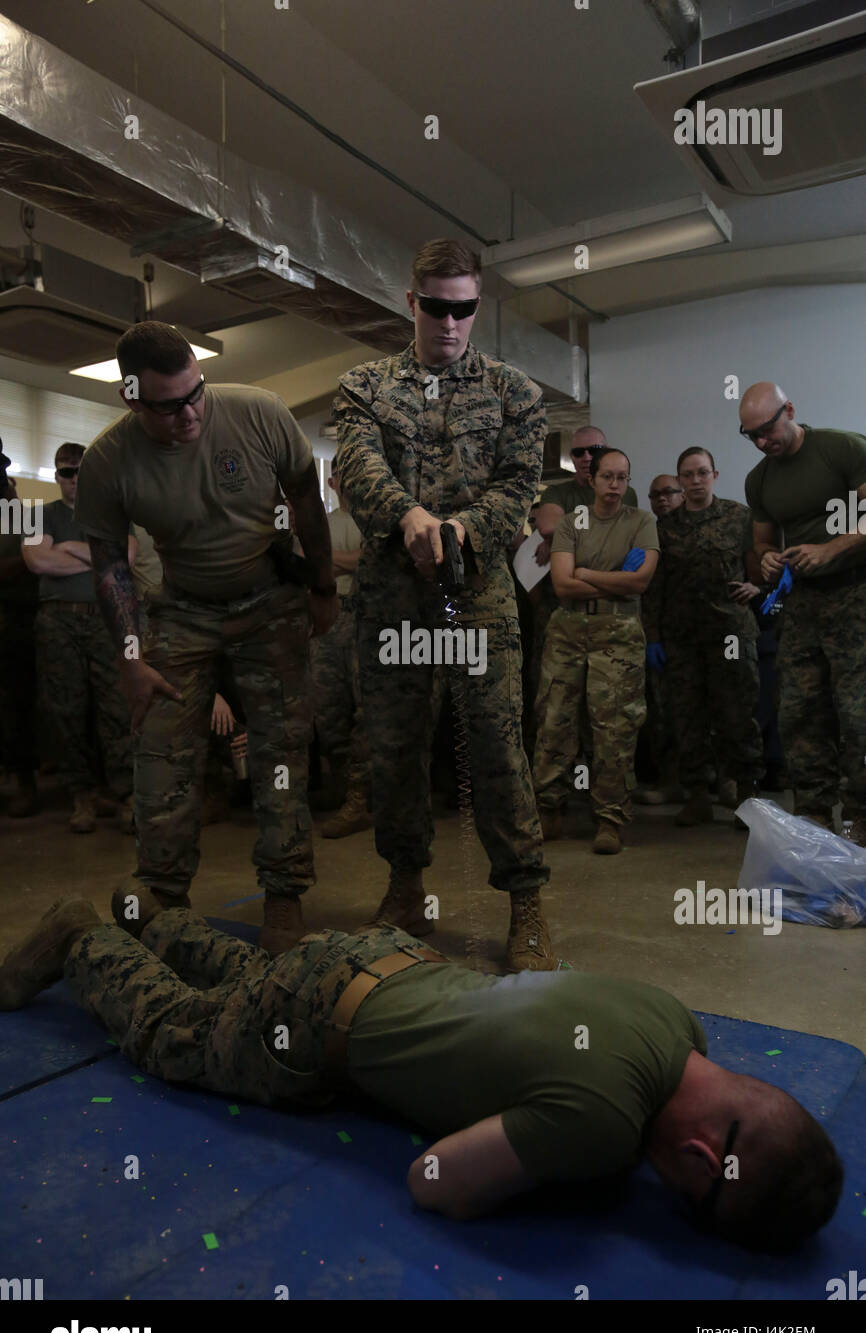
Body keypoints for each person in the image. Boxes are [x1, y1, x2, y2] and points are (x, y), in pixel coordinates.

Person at [0, 889, 843, 1255]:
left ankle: (150, 912)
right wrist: (556, 1165)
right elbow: (433, 1179)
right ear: (701, 1163)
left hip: (385, 959)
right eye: (687, 1202)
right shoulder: (601, 1128)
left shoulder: (678, 1023)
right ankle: (84, 937)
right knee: (169, 1033)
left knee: (241, 976)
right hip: (310, 1026)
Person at [73, 322, 338, 954]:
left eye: (197, 393)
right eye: (169, 406)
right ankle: (163, 899)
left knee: (280, 757)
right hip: (183, 611)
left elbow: (306, 499)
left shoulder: (258, 413)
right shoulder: (109, 461)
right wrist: (132, 656)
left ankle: (284, 895)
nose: (191, 414)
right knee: (160, 755)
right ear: (132, 398)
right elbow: (109, 565)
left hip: (270, 600)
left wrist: (322, 589)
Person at [334, 238, 554, 972]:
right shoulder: (365, 384)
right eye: (437, 307)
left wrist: (465, 527)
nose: (450, 323)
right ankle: (405, 886)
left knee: (495, 745)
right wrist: (408, 516)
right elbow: (355, 463)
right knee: (393, 748)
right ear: (412, 302)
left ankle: (525, 902)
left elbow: (520, 484)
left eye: (464, 309)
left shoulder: (516, 393)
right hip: (393, 597)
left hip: (478, 595)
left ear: (476, 307)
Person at [741, 383, 866, 841]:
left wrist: (834, 548)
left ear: (789, 411)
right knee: (800, 711)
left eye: (767, 430)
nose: (760, 442)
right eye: (749, 435)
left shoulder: (842, 449)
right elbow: (760, 544)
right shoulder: (760, 479)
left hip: (856, 595)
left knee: (858, 714)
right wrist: (769, 560)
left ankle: (860, 816)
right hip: (802, 605)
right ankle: (814, 812)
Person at [532, 448, 659, 854]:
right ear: (593, 479)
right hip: (568, 629)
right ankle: (549, 810)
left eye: (623, 478)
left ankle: (610, 818)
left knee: (615, 726)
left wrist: (585, 572)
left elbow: (640, 583)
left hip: (618, 631)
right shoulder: (572, 523)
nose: (615, 486)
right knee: (554, 720)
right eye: (608, 477)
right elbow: (562, 585)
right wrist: (612, 579)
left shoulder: (641, 521)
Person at [642, 447, 764, 829]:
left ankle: (746, 796)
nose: (695, 481)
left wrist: (756, 586)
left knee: (737, 715)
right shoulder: (664, 527)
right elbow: (655, 588)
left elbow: (760, 562)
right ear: (680, 480)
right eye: (688, 475)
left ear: (714, 474)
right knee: (687, 717)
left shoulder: (739, 517)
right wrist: (654, 637)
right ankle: (697, 796)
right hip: (682, 640)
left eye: (702, 473)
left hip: (730, 633)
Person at [22, 443, 135, 833]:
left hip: (105, 620)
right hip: (58, 621)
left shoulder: (109, 514)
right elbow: (37, 560)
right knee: (65, 709)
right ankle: (81, 795)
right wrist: (95, 557)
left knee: (116, 707)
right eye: (65, 473)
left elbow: (126, 559)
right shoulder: (41, 516)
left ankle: (125, 794)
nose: (72, 479)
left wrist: (67, 547)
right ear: (56, 476)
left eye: (79, 472)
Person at [308, 470, 372, 839]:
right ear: (331, 483)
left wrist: (327, 560)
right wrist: (341, 560)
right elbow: (307, 563)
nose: (347, 482)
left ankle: (361, 796)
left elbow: (367, 562)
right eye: (339, 476)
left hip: (364, 616)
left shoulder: (372, 520)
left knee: (366, 708)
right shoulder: (320, 521)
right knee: (328, 708)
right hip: (326, 615)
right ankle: (344, 786)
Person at [634, 475, 685, 805]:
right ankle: (673, 781)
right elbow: (648, 592)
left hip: (706, 634)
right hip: (663, 636)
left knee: (719, 711)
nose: (662, 499)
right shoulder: (648, 533)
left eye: (669, 493)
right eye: (655, 495)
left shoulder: (725, 519)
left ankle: (726, 784)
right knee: (665, 715)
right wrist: (652, 636)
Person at [0, 447, 40, 816]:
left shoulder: (15, 512)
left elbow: (36, 560)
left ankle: (23, 781)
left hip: (16, 624)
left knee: (17, 708)